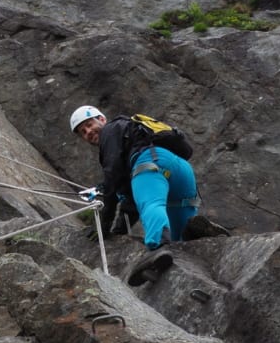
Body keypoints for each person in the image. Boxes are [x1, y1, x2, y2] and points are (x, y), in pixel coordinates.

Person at [70, 105, 217, 285]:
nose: (88, 132)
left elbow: (112, 174)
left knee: (151, 205)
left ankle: (157, 247)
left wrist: (103, 222)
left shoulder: (111, 130)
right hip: (180, 170)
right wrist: (118, 231)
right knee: (180, 242)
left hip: (150, 163)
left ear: (101, 119)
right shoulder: (131, 135)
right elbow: (130, 201)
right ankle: (196, 232)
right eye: (83, 132)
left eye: (89, 125)